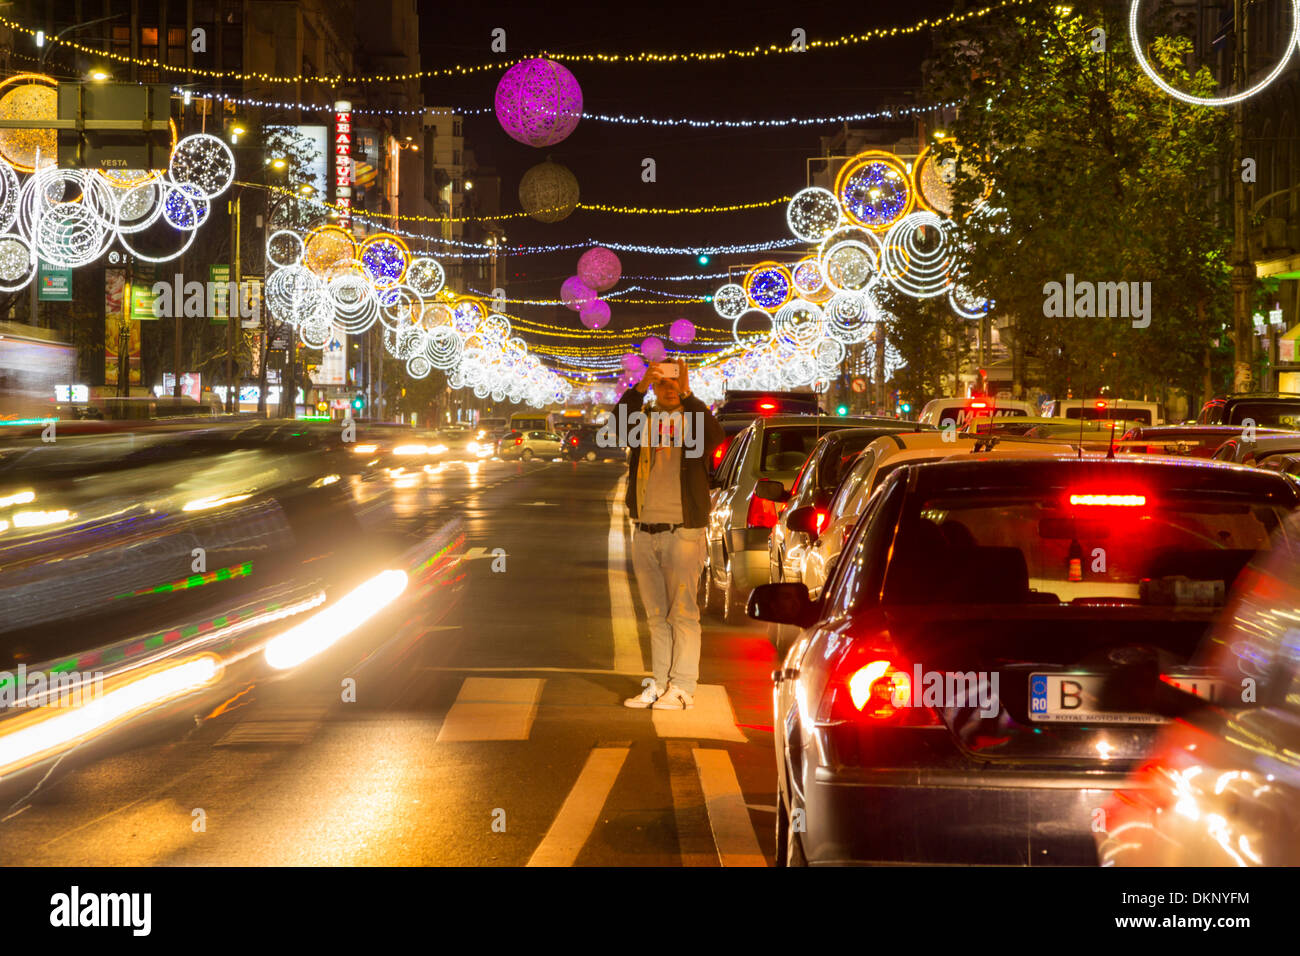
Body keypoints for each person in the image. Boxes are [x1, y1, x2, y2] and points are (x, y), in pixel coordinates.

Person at [619, 359, 724, 710]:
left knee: (682, 612)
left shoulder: (692, 421)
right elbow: (617, 429)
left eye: (673, 382)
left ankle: (682, 687)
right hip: (645, 530)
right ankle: (660, 683)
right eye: (660, 382)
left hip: (683, 531)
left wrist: (689, 394)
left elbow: (714, 437)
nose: (667, 388)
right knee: (655, 615)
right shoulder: (644, 419)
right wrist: (637, 388)